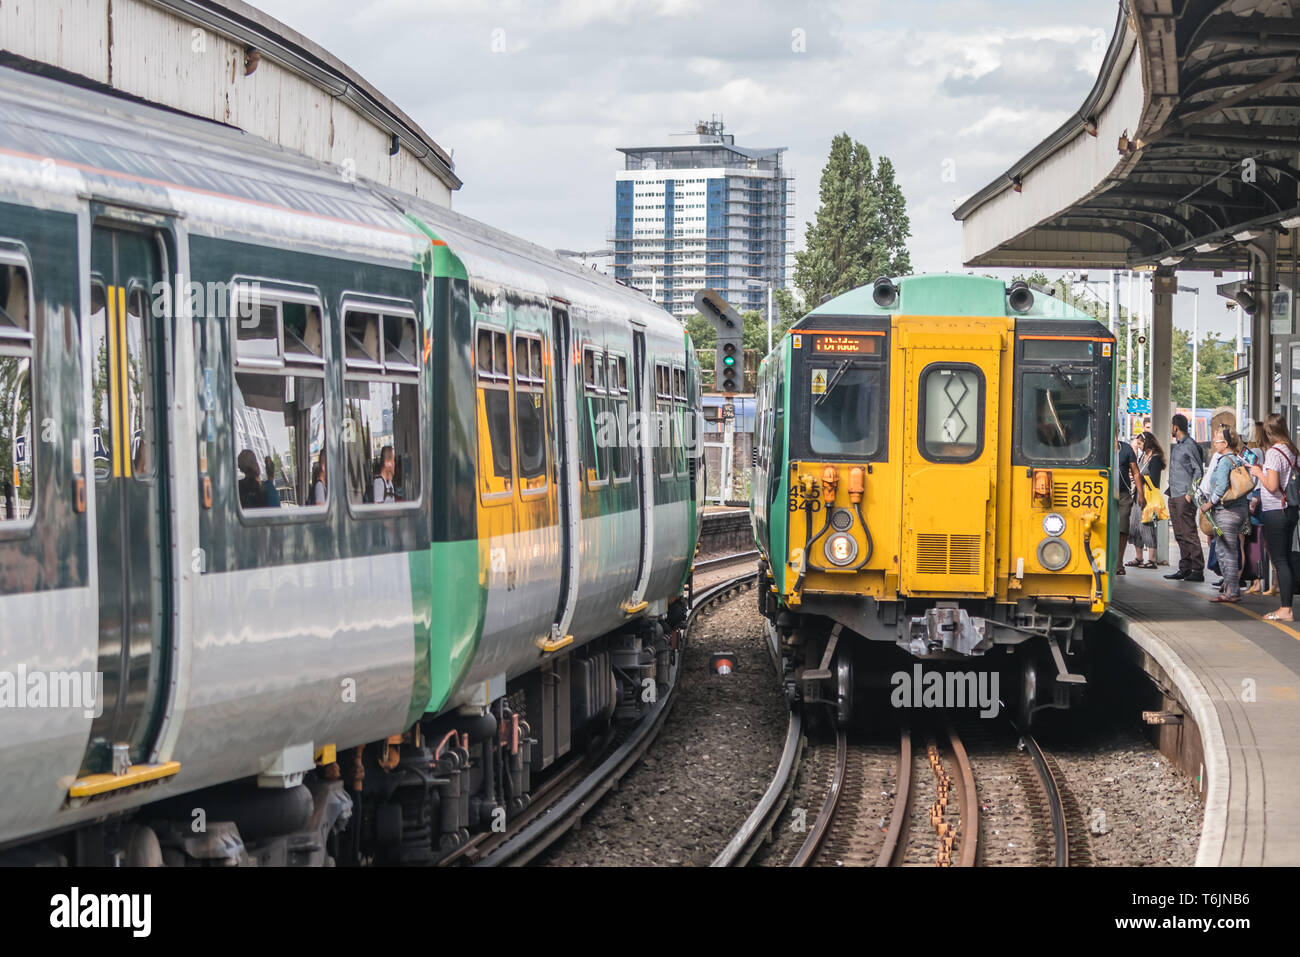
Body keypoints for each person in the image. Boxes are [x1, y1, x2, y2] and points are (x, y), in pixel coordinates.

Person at [1247, 412, 1298, 620]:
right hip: (1291, 509)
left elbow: (1273, 486)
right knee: (1285, 557)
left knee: (1279, 560)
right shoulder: (1293, 451)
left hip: (1276, 510)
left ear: (1268, 432)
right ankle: (1286, 606)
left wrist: (1259, 473)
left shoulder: (1275, 453)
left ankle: (1286, 609)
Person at [1200, 427, 1250, 603]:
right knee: (1231, 550)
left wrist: (1209, 503)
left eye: (1218, 439)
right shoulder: (1237, 460)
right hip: (1241, 511)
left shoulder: (1224, 461)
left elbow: (1220, 487)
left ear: (1226, 443)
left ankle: (1232, 592)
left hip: (1226, 513)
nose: (1214, 441)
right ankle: (1230, 589)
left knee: (1225, 552)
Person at [1165, 413, 1205, 581]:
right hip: (1174, 494)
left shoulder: (1190, 445)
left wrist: (1191, 492)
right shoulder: (1177, 446)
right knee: (1179, 533)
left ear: (1175, 427)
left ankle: (1197, 569)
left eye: (1171, 425)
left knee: (1189, 532)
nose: (1170, 429)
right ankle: (1185, 567)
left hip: (1184, 494)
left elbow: (1198, 470)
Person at [1127, 431, 1165, 569]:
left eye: (1140, 443)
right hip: (1138, 494)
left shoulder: (1155, 459)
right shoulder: (1143, 456)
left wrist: (1139, 478)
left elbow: (1154, 481)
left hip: (1148, 496)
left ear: (1147, 442)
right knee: (1135, 525)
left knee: (1147, 526)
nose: (1139, 446)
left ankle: (1152, 559)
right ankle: (1139, 557)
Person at [1115, 427, 1139, 576]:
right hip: (1104, 494)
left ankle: (1119, 563)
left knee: (1123, 528)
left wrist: (1140, 494)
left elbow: (1135, 472)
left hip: (1123, 495)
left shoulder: (1126, 448)